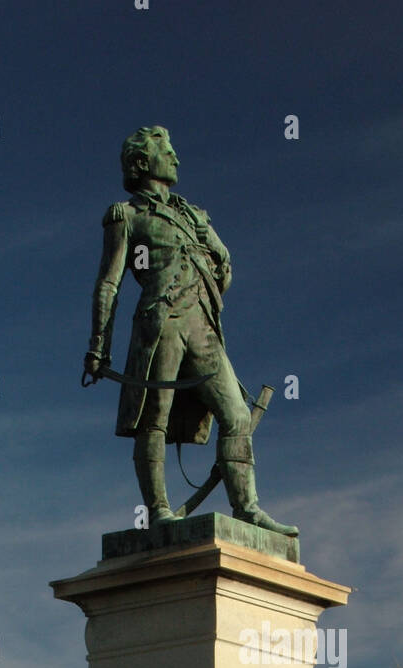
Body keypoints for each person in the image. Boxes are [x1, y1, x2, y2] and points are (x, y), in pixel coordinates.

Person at [83, 126, 297, 537]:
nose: (176, 159)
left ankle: (247, 508)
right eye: (167, 153)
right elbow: (109, 283)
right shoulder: (127, 216)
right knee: (154, 418)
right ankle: (159, 511)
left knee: (236, 414)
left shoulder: (193, 215)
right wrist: (98, 347)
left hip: (202, 323)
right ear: (142, 162)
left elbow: (223, 274)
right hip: (160, 321)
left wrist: (218, 255)